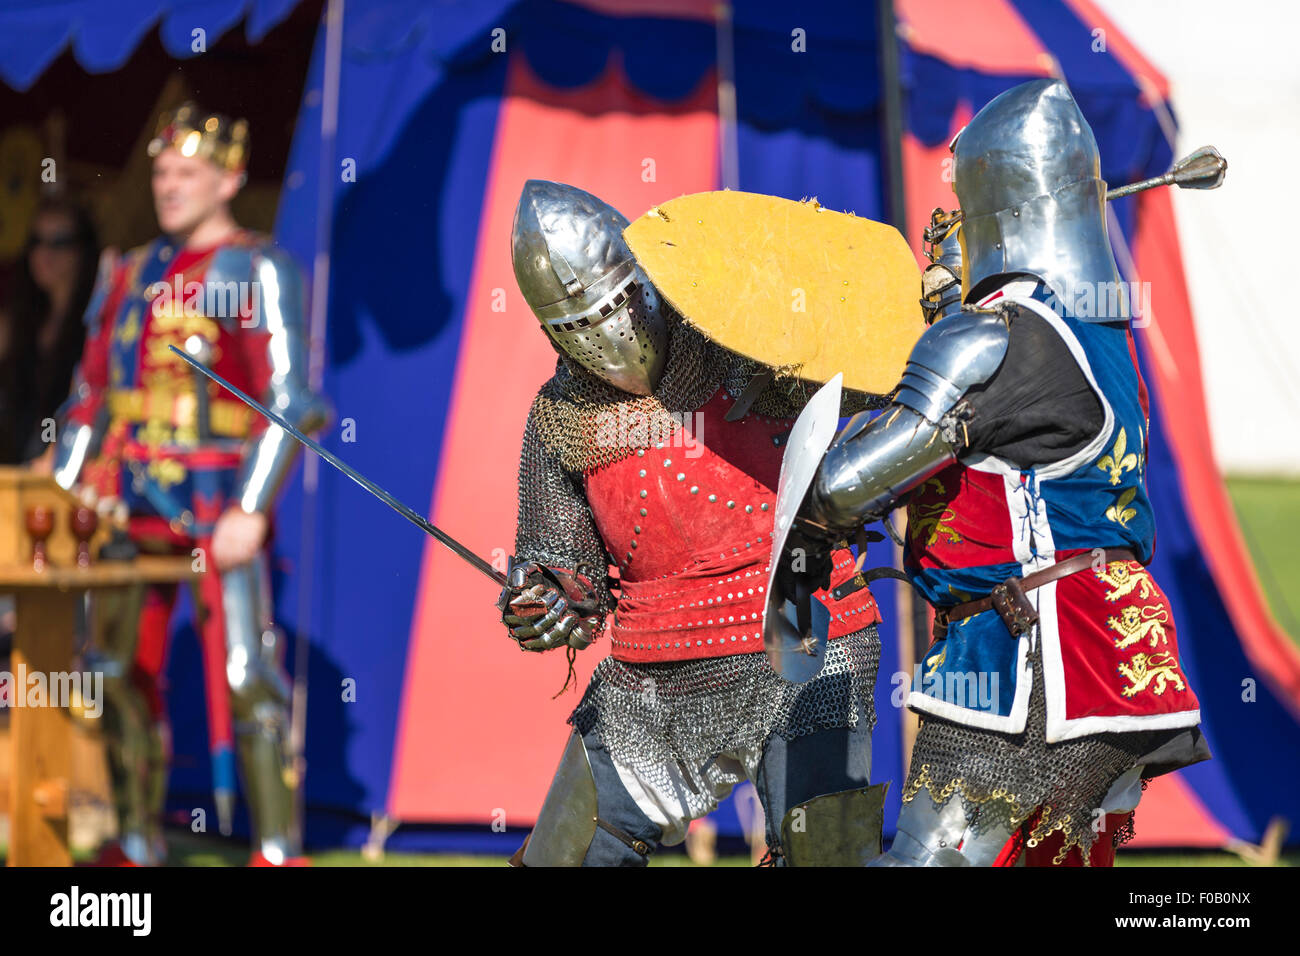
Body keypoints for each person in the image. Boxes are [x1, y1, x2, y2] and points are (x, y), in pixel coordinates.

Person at [777, 79, 1209, 866]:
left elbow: (842, 485)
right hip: (1112, 644)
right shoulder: (1105, 337)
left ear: (991, 210)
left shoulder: (993, 335)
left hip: (1028, 653)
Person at [497, 180, 887, 866]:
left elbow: (872, 375)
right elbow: (565, 564)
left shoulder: (740, 336)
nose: (607, 335)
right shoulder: (562, 417)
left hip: (802, 625)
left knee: (824, 856)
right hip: (651, 671)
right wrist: (549, 598)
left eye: (616, 305)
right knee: (568, 856)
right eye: (576, 325)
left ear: (646, 277)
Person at [52, 102, 327, 866]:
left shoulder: (258, 266)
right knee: (113, 668)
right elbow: (92, 394)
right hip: (127, 494)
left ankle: (275, 851)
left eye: (188, 172)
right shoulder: (127, 269)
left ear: (230, 178)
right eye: (162, 172)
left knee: (244, 672)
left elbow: (292, 399)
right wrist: (62, 492)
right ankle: (137, 841)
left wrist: (251, 508)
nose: (169, 186)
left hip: (218, 494)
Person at [0, 197, 99, 465]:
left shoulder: (98, 320)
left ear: (82, 250)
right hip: (13, 466)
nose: (45, 253)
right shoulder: (18, 317)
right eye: (37, 241)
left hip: (64, 468)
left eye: (59, 242)